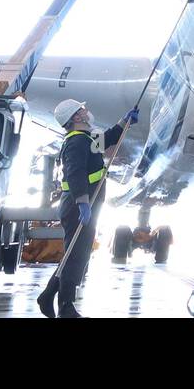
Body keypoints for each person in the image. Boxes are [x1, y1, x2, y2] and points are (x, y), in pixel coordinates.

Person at [37, 99, 138, 318]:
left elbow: (108, 139)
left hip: (85, 204)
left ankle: (48, 295)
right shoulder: (77, 142)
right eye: (82, 109)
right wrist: (82, 202)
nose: (86, 111)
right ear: (75, 117)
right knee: (76, 256)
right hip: (79, 205)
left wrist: (124, 122)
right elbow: (74, 173)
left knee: (76, 254)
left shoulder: (86, 138)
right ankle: (65, 307)